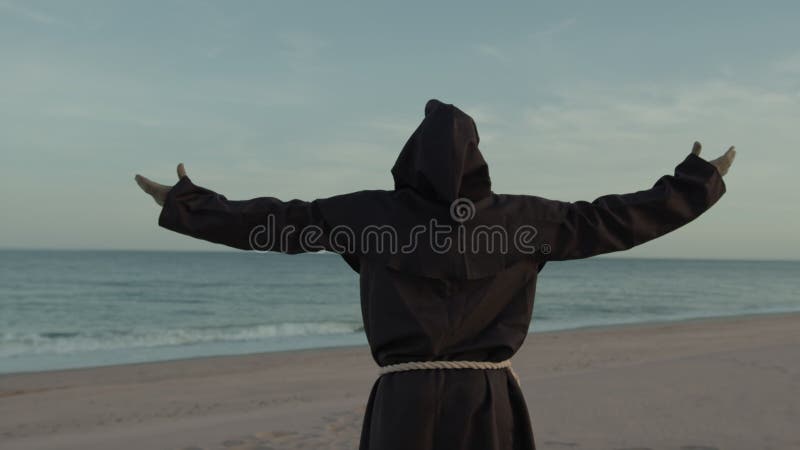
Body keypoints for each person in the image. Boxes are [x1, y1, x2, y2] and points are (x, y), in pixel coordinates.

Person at [135, 99, 735, 450]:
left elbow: (275, 224)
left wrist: (188, 203)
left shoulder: (367, 216)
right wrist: (696, 183)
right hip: (486, 400)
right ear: (478, 160)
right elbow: (619, 220)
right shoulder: (528, 221)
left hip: (405, 400)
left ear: (409, 157)